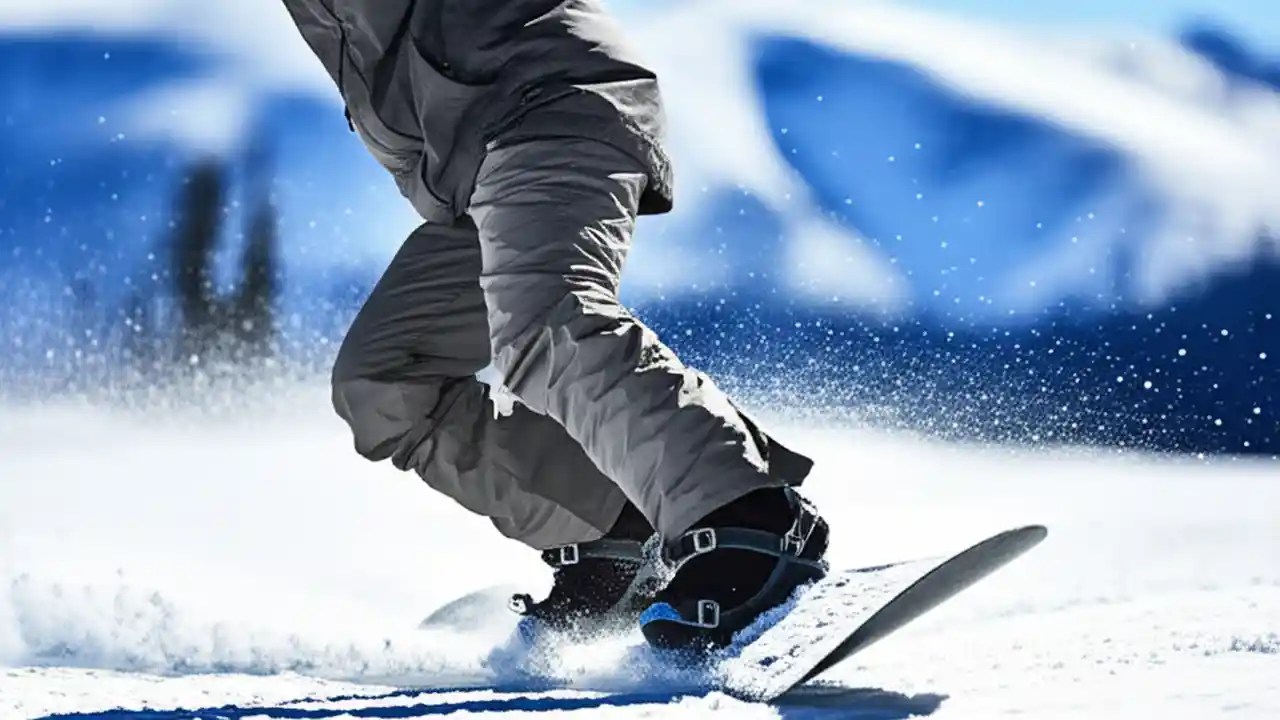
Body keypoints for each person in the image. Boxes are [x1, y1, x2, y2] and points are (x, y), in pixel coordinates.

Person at [281, 0, 829, 648]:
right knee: (385, 382)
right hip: (475, 165)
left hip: (548, 101)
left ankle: (751, 517)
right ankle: (613, 531)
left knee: (546, 325)